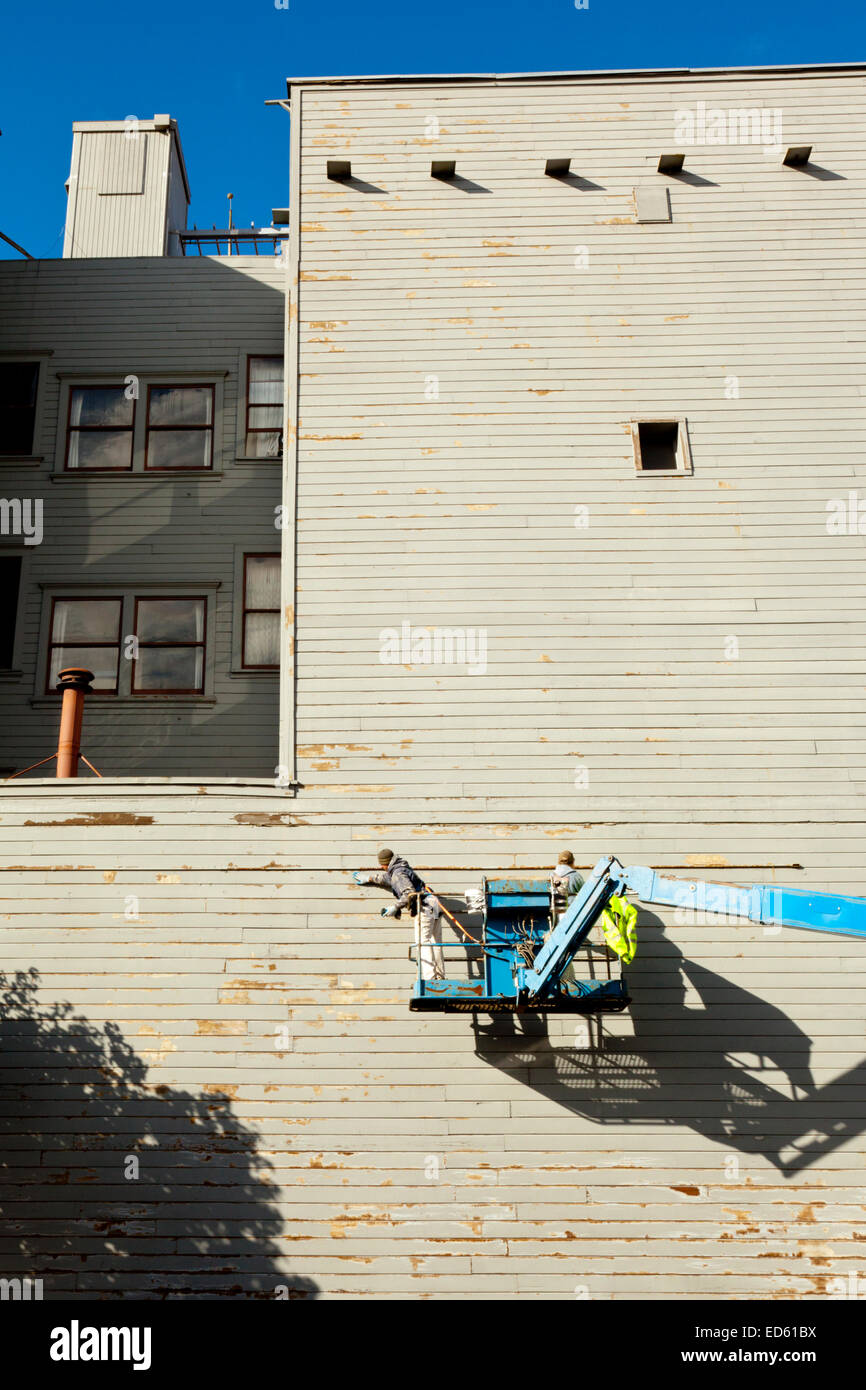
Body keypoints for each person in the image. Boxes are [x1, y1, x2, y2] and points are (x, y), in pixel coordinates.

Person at [355, 848, 444, 981]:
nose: (381, 867)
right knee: (434, 941)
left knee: (422, 941)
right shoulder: (400, 868)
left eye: (382, 864)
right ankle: (440, 976)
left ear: (386, 863)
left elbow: (409, 892)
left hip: (424, 905)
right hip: (433, 903)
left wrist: (395, 907)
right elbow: (387, 879)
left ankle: (430, 978)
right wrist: (369, 878)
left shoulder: (397, 873)